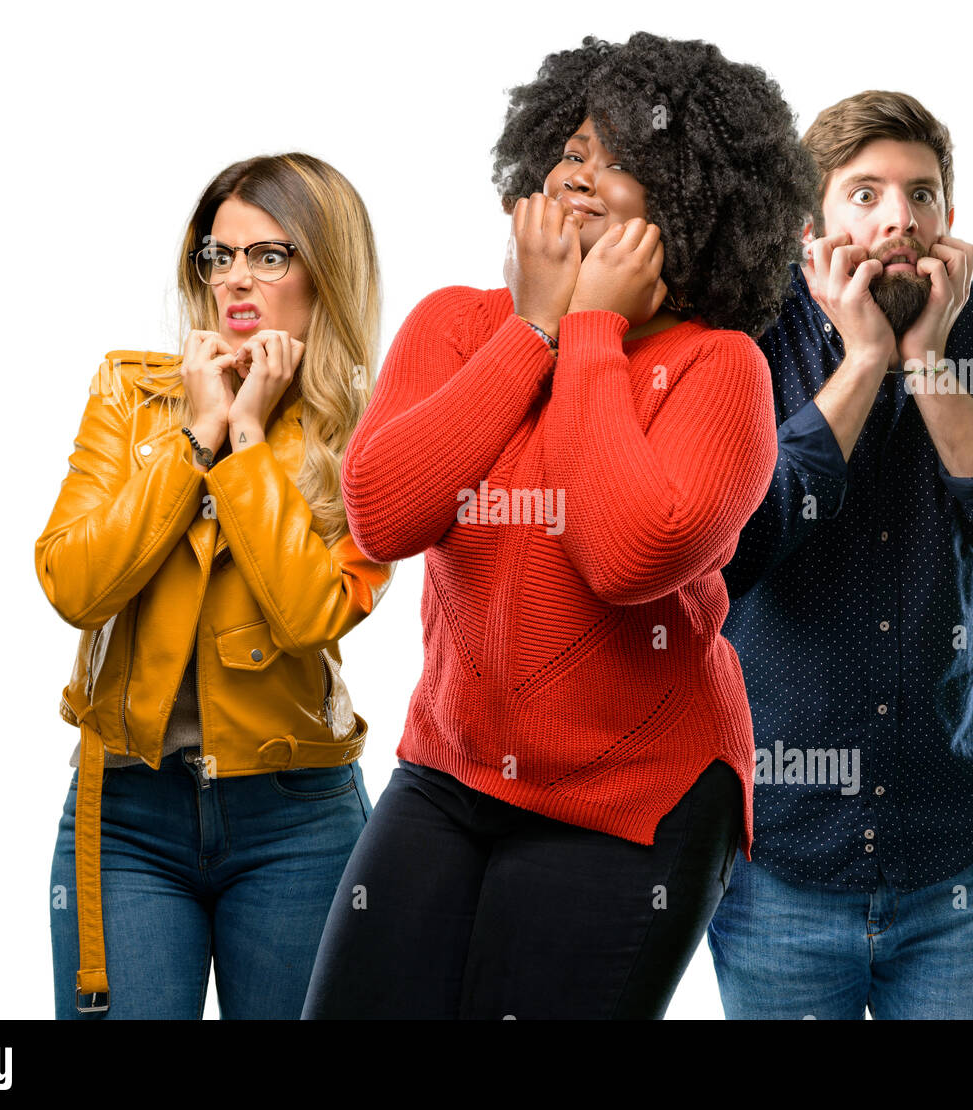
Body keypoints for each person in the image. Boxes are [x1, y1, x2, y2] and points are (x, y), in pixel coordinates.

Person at [300, 32, 814, 1019]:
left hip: (633, 801)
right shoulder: (455, 324)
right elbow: (383, 511)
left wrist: (587, 332)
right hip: (451, 772)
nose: (582, 176)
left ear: (689, 206)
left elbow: (625, 556)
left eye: (624, 164)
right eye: (574, 150)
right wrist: (529, 330)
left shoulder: (719, 370)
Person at [706, 91, 973, 1019]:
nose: (899, 221)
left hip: (955, 877)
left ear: (950, 220)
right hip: (780, 879)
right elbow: (723, 560)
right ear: (810, 219)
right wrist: (863, 362)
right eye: (866, 194)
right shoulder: (745, 338)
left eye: (922, 196)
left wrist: (926, 365)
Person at [35, 152, 393, 1019]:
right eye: (218, 254)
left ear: (325, 271)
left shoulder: (370, 431)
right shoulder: (131, 396)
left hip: (299, 818)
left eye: (270, 255)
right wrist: (196, 436)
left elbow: (310, 613)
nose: (236, 278)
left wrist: (248, 439)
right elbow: (74, 583)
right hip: (126, 811)